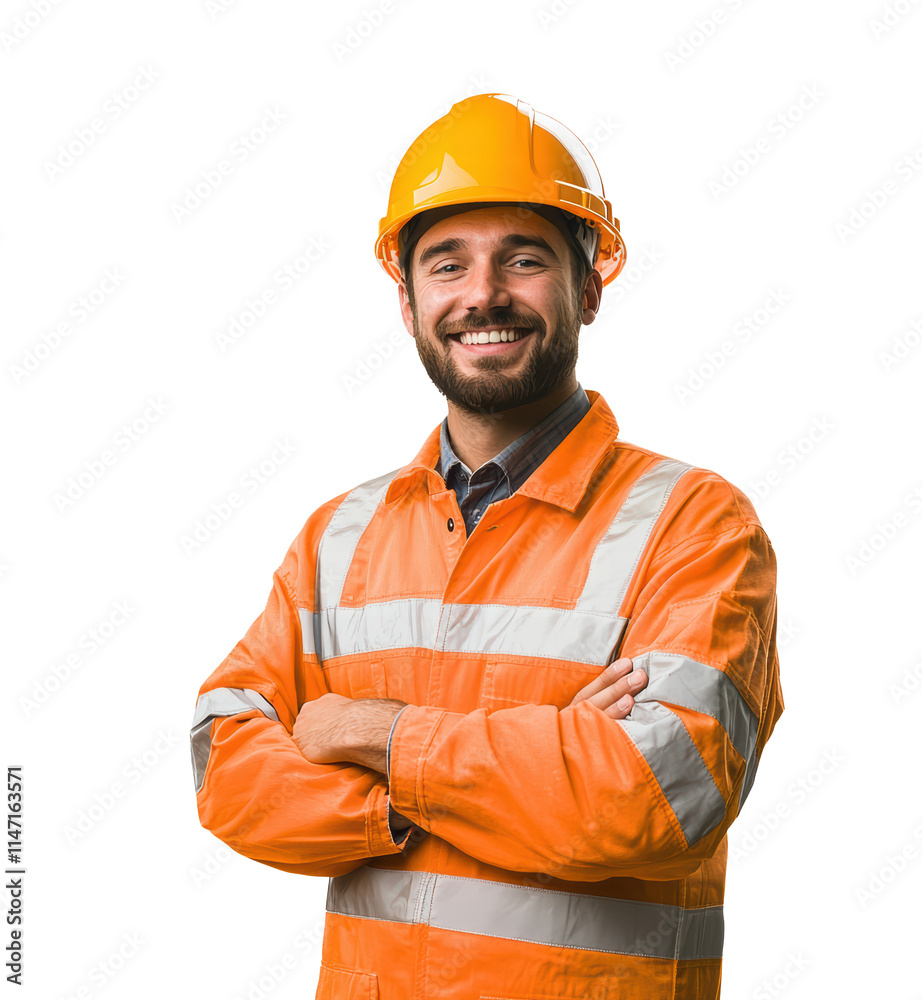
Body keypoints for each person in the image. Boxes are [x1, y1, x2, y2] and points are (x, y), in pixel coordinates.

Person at [191, 93, 785, 1000]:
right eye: (447, 264)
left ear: (589, 286)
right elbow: (225, 763)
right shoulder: (337, 537)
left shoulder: (695, 526)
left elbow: (654, 798)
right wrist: (510, 772)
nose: (483, 295)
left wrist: (367, 733)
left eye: (525, 259)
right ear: (407, 301)